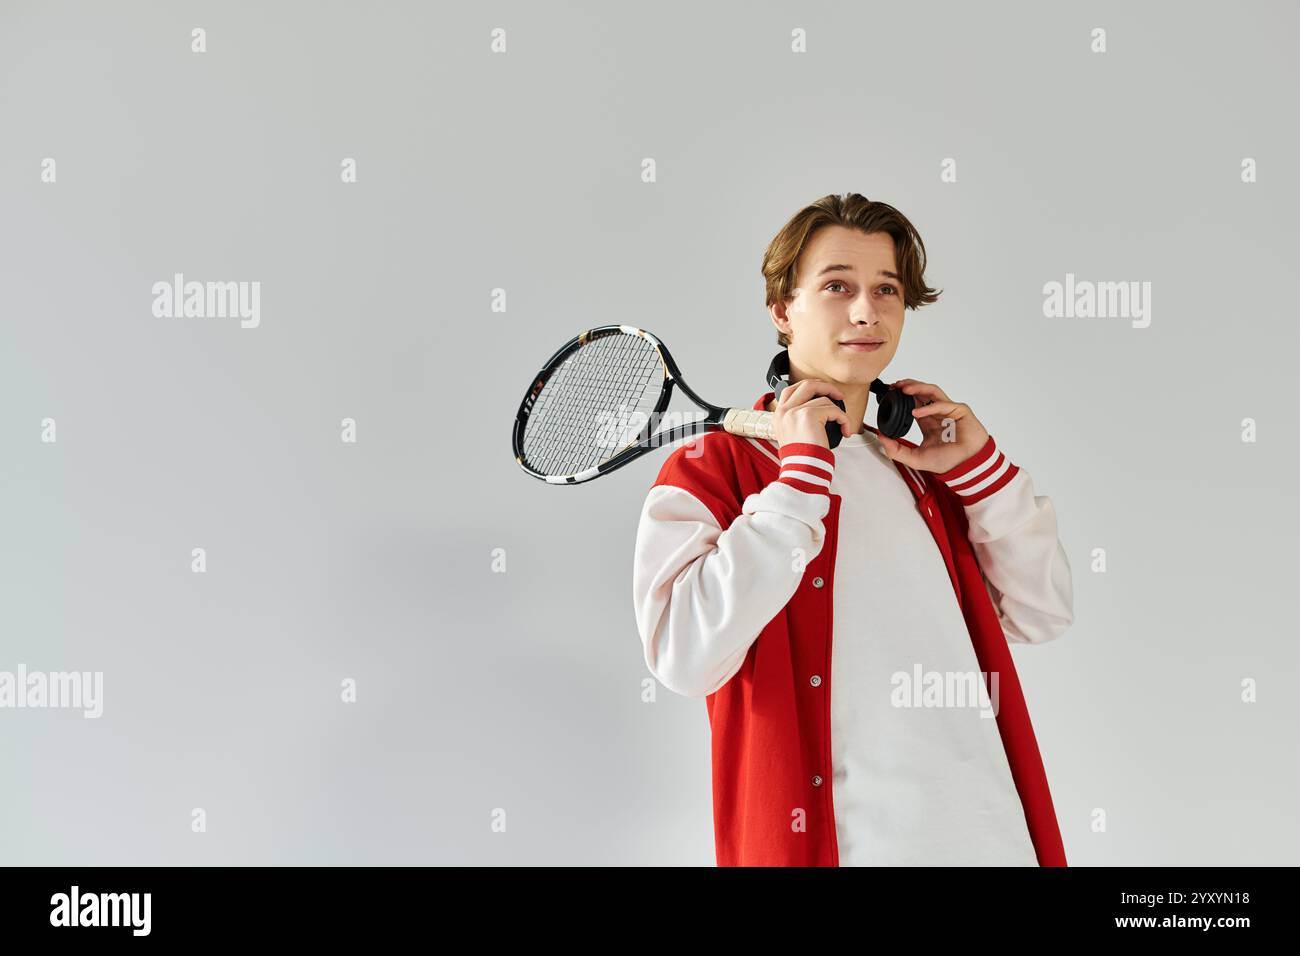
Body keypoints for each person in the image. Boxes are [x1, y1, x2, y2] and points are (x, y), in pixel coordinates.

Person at [630, 193, 1075, 866]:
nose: (867, 311)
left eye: (887, 290)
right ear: (783, 310)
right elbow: (683, 656)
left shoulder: (927, 470)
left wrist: (983, 472)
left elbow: (1044, 614)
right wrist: (801, 478)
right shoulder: (713, 469)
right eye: (837, 286)